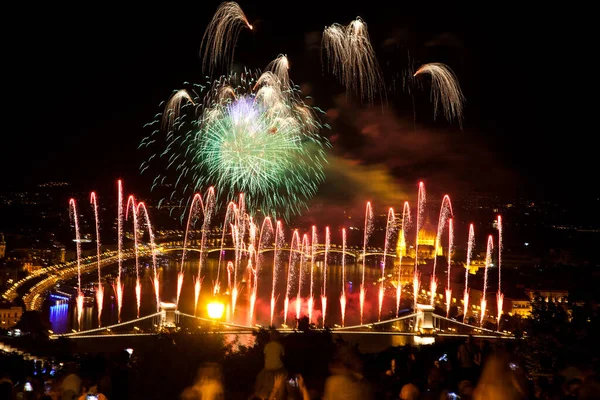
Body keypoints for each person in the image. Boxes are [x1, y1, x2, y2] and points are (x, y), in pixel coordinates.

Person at [254, 331, 287, 399]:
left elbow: (265, 357)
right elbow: (282, 358)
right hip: (279, 368)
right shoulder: (280, 346)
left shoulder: (267, 346)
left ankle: (256, 393)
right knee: (286, 375)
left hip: (267, 367)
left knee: (259, 377)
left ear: (270, 338)